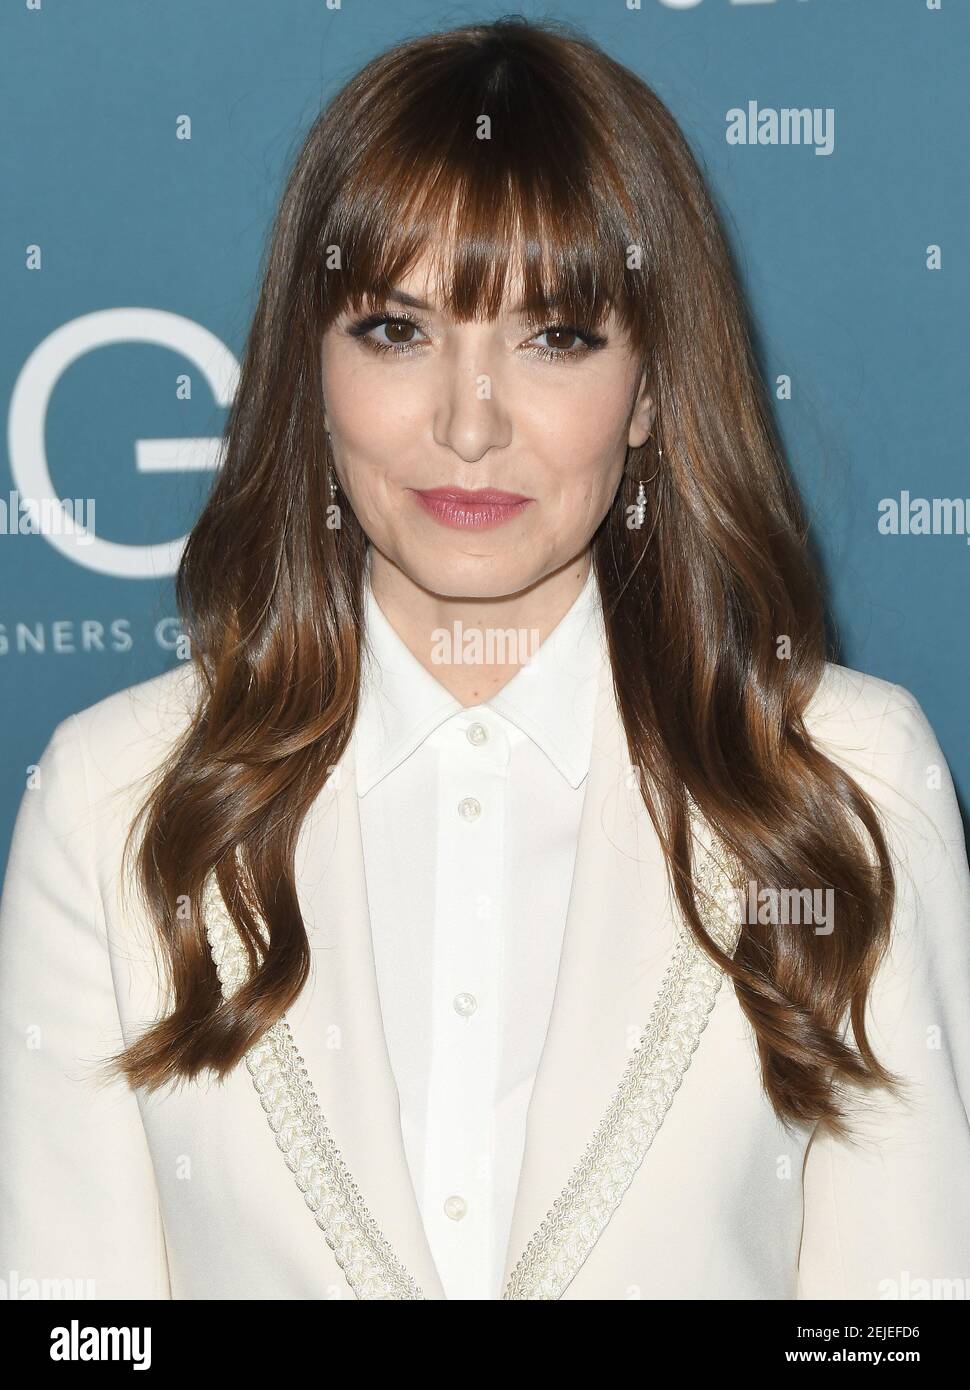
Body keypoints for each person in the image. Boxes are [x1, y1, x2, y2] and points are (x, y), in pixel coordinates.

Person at [1, 16, 968, 1302]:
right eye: (396, 331)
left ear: (651, 386)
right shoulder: (116, 800)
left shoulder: (841, 778)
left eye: (555, 337)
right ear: (310, 368)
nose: (469, 423)